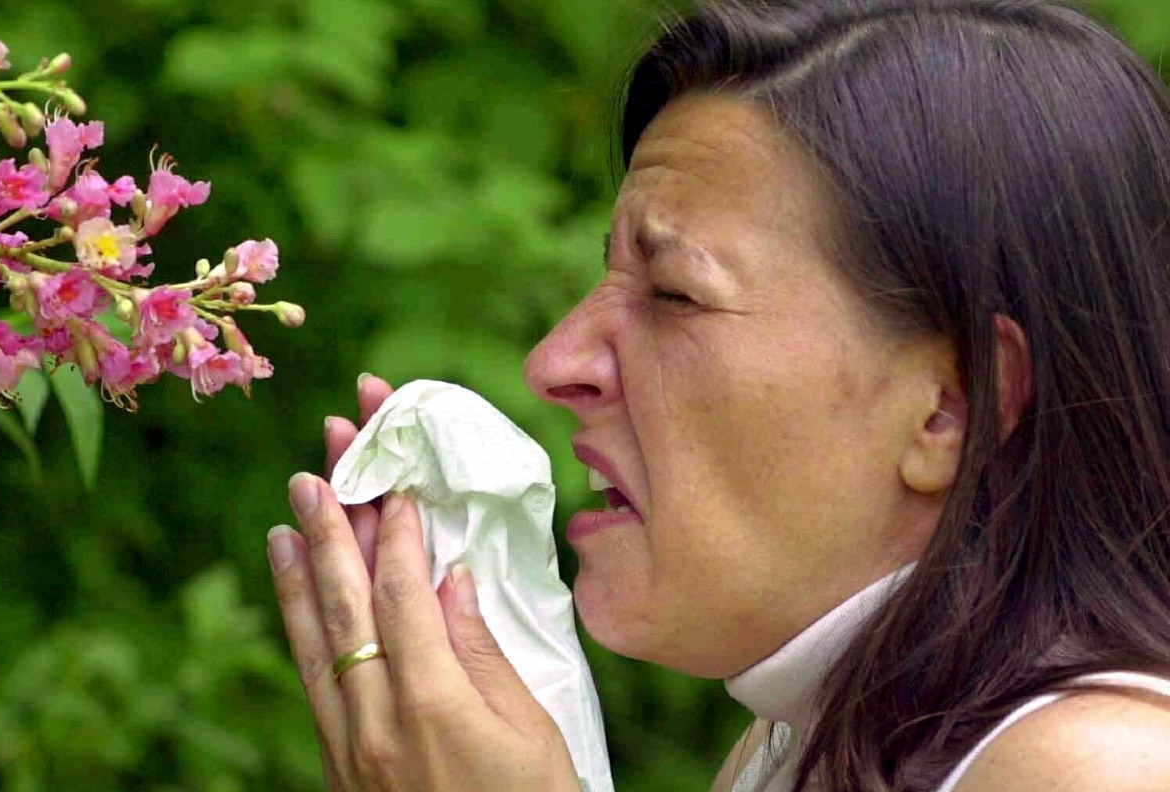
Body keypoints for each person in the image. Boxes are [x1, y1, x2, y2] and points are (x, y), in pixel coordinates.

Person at [266, 0, 1170, 788]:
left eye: (674, 294)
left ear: (951, 409)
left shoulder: (1096, 768)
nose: (556, 359)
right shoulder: (793, 746)